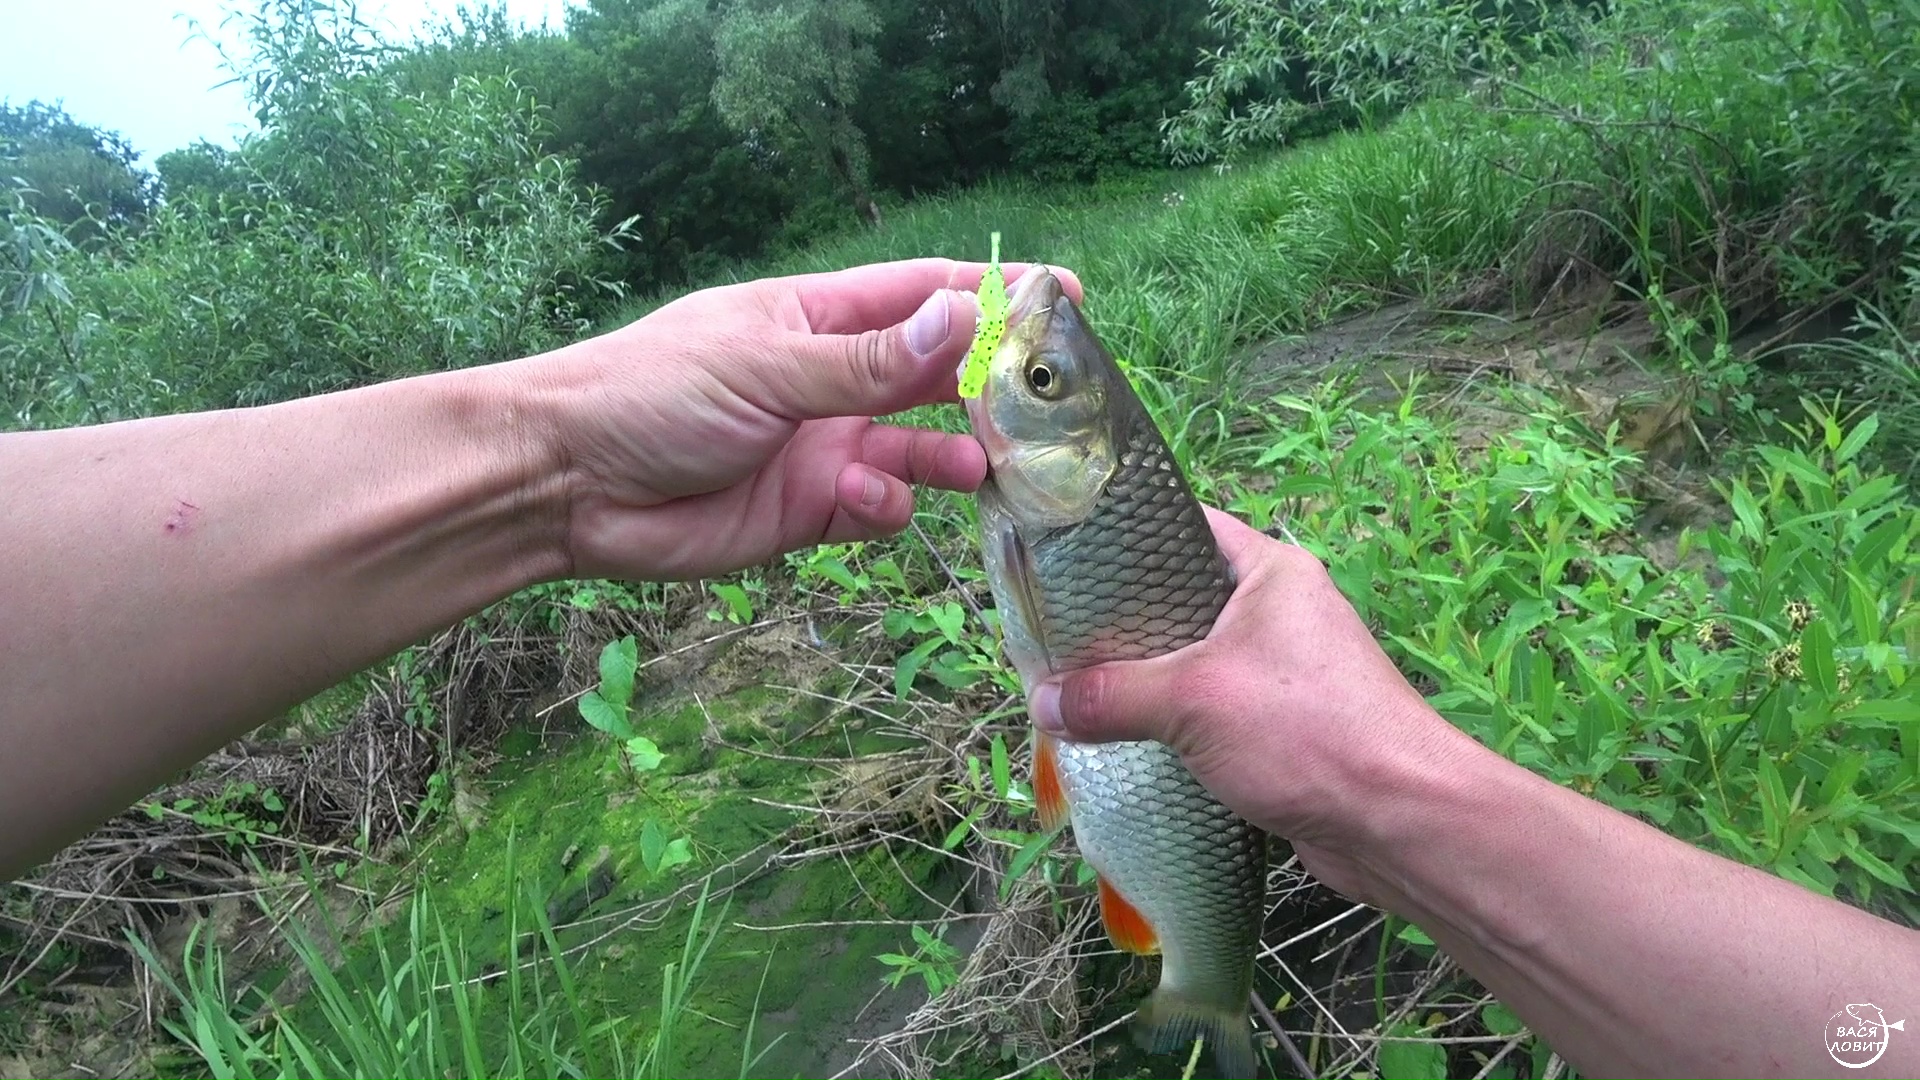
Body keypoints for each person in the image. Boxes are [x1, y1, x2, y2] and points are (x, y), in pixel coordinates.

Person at [1, 260, 1914, 1079]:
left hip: (1158, 789)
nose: (1023, 375)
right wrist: (561, 457)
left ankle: (1197, 985)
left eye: (1043, 383)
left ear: (1072, 446)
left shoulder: (1065, 510)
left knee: (1136, 845)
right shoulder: (1054, 503)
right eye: (1039, 376)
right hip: (1145, 758)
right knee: (1121, 813)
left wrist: (550, 466)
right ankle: (1197, 981)